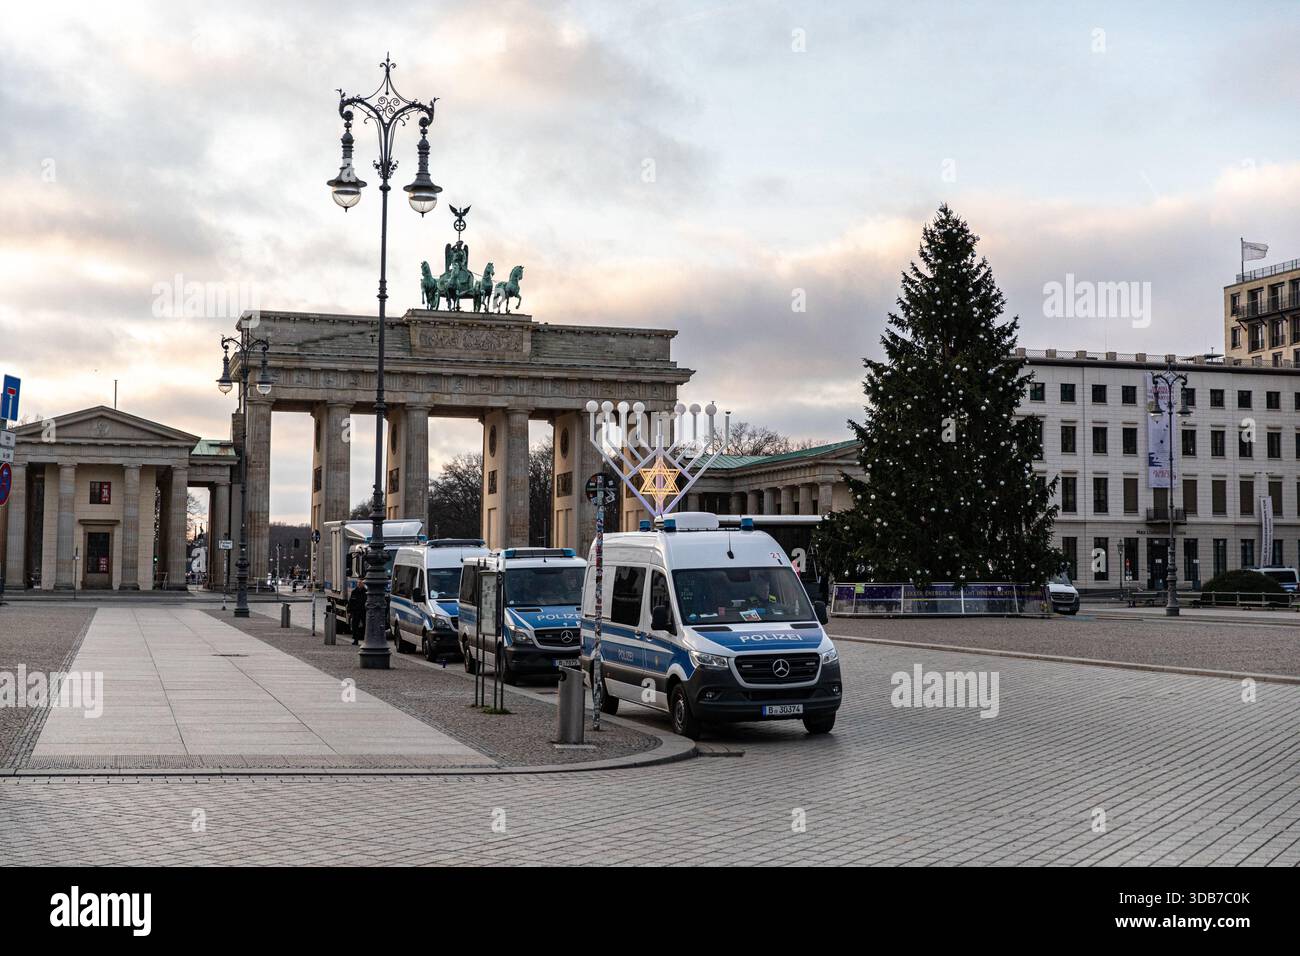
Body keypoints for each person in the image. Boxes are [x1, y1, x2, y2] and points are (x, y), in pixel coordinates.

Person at [347, 580, 367, 646]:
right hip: (355, 611)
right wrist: (349, 611)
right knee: (355, 626)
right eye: (358, 583)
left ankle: (365, 640)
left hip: (363, 611)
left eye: (360, 583)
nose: (359, 584)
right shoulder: (354, 592)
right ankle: (355, 640)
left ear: (363, 584)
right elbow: (350, 602)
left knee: (365, 626)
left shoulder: (366, 592)